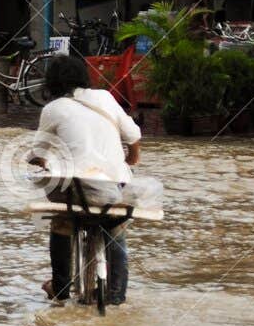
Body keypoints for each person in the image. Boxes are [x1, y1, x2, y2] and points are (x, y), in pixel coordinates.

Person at [29, 54, 163, 306]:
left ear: (51, 83)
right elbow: (133, 136)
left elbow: (39, 152)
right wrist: (132, 158)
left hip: (80, 189)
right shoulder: (105, 97)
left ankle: (60, 287)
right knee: (116, 228)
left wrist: (42, 161)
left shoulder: (53, 109)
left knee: (61, 222)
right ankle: (117, 295)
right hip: (117, 187)